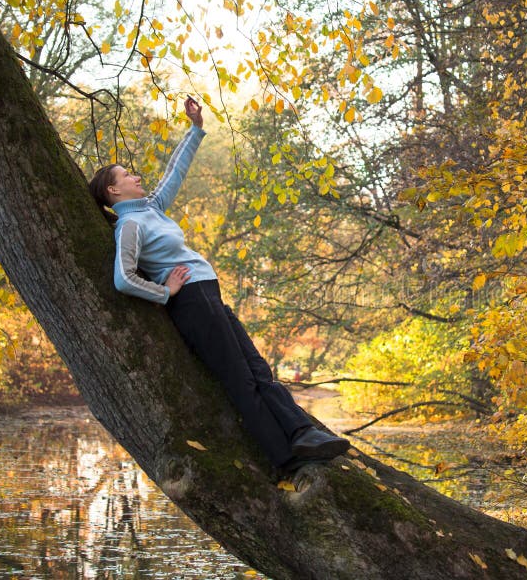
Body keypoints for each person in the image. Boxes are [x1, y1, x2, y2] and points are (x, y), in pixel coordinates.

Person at [88, 96, 349, 473]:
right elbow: (123, 278)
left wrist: (195, 128)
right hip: (192, 303)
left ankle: (302, 432)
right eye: (127, 175)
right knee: (241, 379)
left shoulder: (151, 209)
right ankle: (285, 460)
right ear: (114, 192)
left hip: (209, 296)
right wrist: (165, 292)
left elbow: (175, 172)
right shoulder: (130, 225)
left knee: (258, 369)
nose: (136, 177)